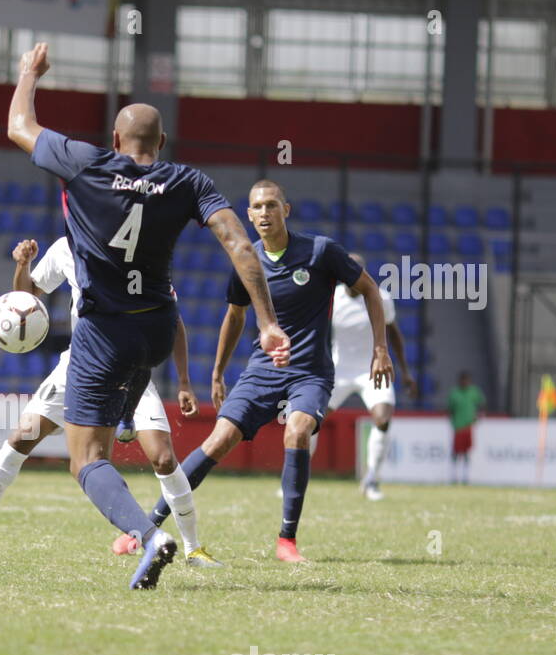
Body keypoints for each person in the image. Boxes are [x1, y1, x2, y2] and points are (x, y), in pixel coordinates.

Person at [7, 42, 289, 589]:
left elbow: (19, 124)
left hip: (103, 331)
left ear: (115, 140)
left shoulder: (86, 162)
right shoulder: (189, 181)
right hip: (157, 328)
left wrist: (29, 73)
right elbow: (241, 246)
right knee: (119, 435)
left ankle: (149, 534)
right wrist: (269, 322)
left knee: (86, 458)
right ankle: (167, 517)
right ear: (161, 144)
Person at [127, 180, 393, 564]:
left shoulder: (320, 252)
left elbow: (368, 289)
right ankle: (148, 527)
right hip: (261, 370)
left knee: (298, 430)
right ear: (248, 216)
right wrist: (217, 372)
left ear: (286, 209)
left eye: (271, 205)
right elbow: (234, 317)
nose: (264, 213)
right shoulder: (246, 263)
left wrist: (380, 349)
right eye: (257, 207)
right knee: (217, 442)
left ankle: (287, 540)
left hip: (310, 372)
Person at [0, 236, 221, 568]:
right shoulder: (66, 248)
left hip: (132, 366)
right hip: (80, 365)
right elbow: (27, 297)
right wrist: (22, 265)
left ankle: (193, 549)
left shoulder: (143, 251)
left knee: (163, 457)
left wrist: (184, 380)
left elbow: (173, 319)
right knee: (19, 440)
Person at [319, 252, 417, 500]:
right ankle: (296, 478)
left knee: (383, 418)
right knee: (311, 420)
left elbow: (393, 333)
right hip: (339, 370)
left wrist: (405, 371)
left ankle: (371, 479)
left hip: (371, 369)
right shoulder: (332, 298)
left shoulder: (379, 297)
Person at [447, 370, 484, 484]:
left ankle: (465, 476)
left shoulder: (474, 392)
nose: (465, 382)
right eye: (463, 380)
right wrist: (453, 421)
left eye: (467, 380)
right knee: (456, 452)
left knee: (467, 452)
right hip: (458, 426)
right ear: (460, 381)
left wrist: (478, 416)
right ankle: (454, 476)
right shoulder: (454, 394)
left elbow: (482, 404)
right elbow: (450, 409)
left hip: (468, 426)